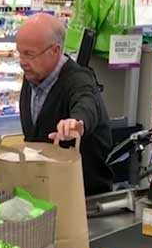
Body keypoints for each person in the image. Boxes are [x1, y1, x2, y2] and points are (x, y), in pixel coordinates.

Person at [16, 13, 113, 196]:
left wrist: (76, 122)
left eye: (29, 54)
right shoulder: (33, 74)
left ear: (55, 50)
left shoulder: (78, 80)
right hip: (44, 193)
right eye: (19, 52)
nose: (22, 62)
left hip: (84, 199)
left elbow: (86, 102)